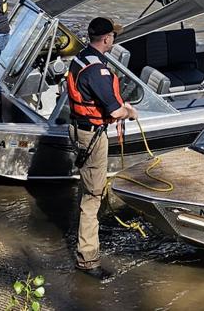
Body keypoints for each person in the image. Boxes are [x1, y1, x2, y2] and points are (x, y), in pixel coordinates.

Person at [67, 17, 139, 280]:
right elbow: (116, 110)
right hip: (92, 136)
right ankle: (88, 259)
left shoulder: (81, 58)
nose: (114, 40)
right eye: (113, 37)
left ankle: (84, 234)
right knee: (93, 195)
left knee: (87, 187)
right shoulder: (98, 71)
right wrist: (130, 112)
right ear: (107, 39)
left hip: (78, 129)